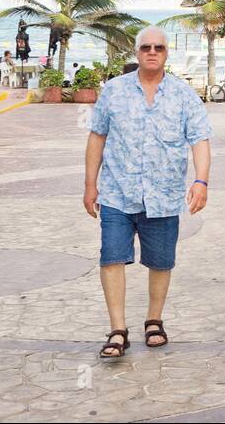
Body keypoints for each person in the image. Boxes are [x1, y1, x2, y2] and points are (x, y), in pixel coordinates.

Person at [84, 26, 211, 359]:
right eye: (145, 48)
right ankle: (118, 329)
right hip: (116, 193)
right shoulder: (113, 91)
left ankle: (154, 319)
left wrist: (201, 181)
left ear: (167, 53)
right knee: (111, 256)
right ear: (137, 52)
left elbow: (199, 140)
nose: (152, 52)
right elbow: (97, 137)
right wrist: (89, 184)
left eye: (159, 47)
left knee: (161, 262)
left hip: (164, 195)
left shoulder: (184, 95)